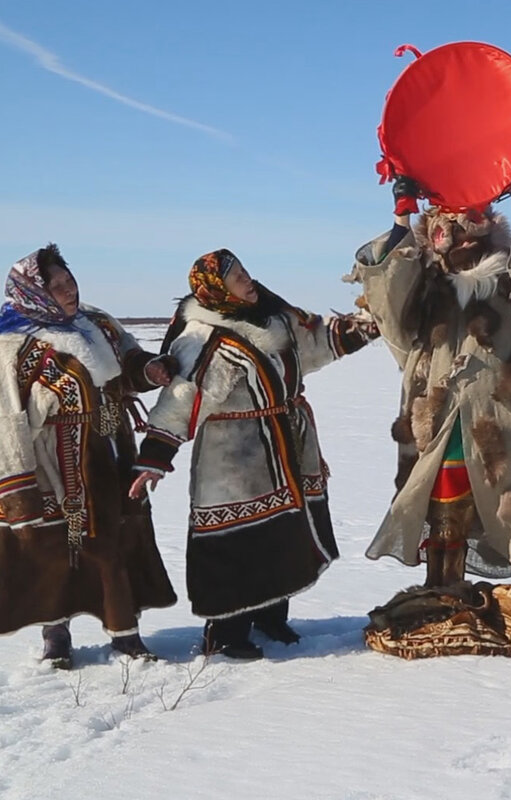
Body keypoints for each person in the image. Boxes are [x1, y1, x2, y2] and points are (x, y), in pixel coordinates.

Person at [346, 174, 511, 644]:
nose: (455, 237)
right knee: (443, 507)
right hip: (441, 417)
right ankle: (443, 595)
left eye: (467, 227)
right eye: (445, 229)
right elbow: (388, 295)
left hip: (509, 422)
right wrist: (401, 216)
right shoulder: (427, 293)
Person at [129, 249, 377, 659]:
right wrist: (156, 453)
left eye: (245, 271)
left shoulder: (272, 318)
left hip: (285, 445)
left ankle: (270, 616)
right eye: (236, 277)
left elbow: (313, 345)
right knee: (239, 542)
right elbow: (184, 397)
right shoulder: (206, 337)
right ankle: (225, 632)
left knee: (283, 533)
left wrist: (366, 326)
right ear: (216, 290)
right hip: (234, 457)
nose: (247, 279)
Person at [0, 244, 177, 668]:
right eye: (56, 285)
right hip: (54, 460)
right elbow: (7, 419)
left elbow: (129, 362)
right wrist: (16, 488)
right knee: (57, 547)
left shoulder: (97, 323)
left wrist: (149, 370)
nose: (68, 290)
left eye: (69, 280)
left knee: (115, 541)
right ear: (34, 292)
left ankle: (125, 634)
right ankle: (55, 635)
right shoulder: (12, 343)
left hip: (111, 447)